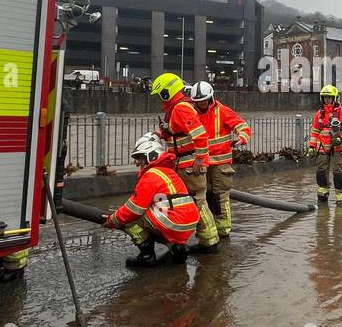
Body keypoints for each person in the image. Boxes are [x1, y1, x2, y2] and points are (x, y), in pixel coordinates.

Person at [102, 132, 200, 267]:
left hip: (174, 223)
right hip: (188, 224)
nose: (137, 163)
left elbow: (133, 210)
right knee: (152, 215)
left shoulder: (150, 176)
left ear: (151, 156)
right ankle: (176, 248)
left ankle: (147, 256)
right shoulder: (169, 172)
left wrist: (113, 220)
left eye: (140, 158)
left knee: (130, 219)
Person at [150, 72, 220, 253]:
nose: (159, 99)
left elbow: (200, 136)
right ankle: (205, 238)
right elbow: (177, 133)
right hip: (184, 163)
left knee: (198, 201)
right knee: (193, 201)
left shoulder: (181, 108)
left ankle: (209, 241)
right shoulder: (177, 109)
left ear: (167, 92)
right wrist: (161, 134)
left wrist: (198, 160)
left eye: (160, 95)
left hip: (190, 164)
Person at [189, 80, 252, 238]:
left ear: (210, 98)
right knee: (204, 196)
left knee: (220, 195)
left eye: (203, 100)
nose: (201, 104)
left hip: (221, 164)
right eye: (198, 102)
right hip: (202, 163)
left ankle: (223, 229)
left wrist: (242, 137)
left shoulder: (222, 111)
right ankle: (209, 227)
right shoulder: (192, 113)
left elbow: (242, 126)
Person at [307, 83, 342, 204]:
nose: (327, 100)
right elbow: (315, 131)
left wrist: (341, 139)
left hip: (338, 147)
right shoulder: (319, 113)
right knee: (321, 172)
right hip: (322, 148)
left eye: (329, 97)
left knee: (338, 173)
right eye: (325, 97)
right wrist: (312, 147)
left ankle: (341, 198)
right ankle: (323, 196)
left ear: (334, 98)